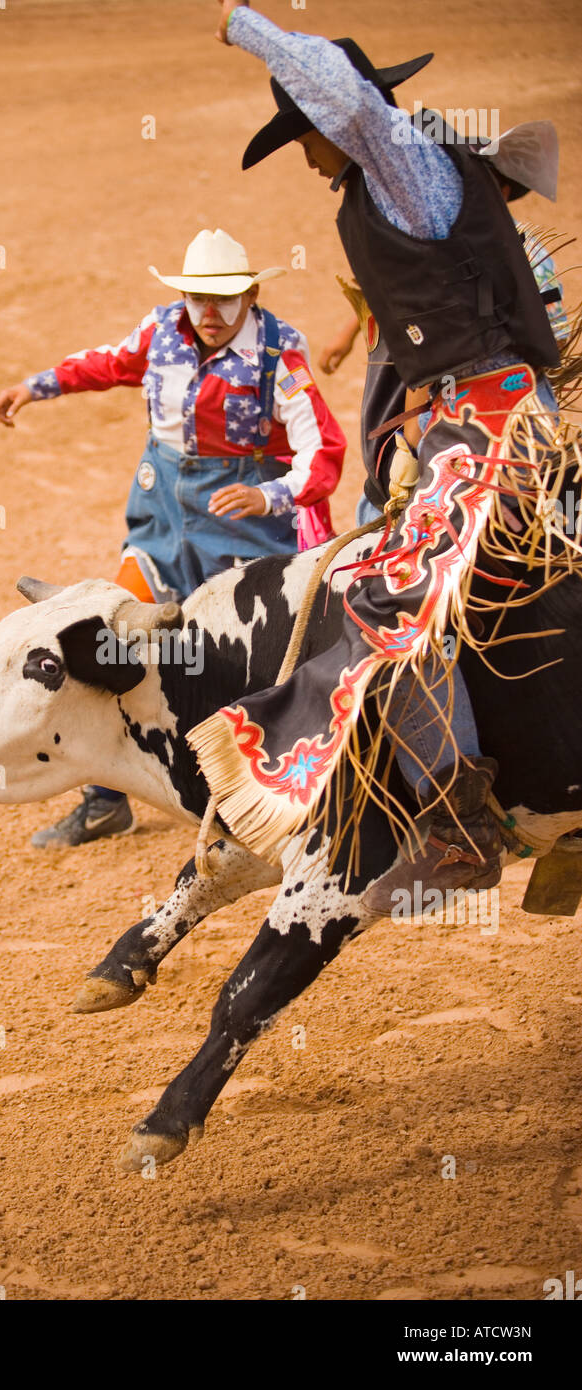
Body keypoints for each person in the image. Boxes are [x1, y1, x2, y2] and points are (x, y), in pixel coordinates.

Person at [188, 4, 574, 911]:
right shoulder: (401, 187)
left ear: (328, 123)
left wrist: (247, 26)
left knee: (390, 603)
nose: (311, 159)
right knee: (379, 575)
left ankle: (456, 820)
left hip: (497, 426)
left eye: (306, 139)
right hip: (461, 418)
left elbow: (355, 109)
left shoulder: (402, 167)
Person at [0, 227, 347, 847]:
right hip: (160, 520)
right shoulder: (162, 331)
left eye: (225, 299)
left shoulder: (279, 352)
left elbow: (322, 449)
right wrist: (37, 385)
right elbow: (108, 363)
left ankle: (275, 804)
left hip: (243, 527)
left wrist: (269, 494)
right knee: (110, 646)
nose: (209, 313)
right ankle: (105, 799)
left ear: (253, 293)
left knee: (247, 667)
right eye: (198, 298)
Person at [316, 121, 570, 528]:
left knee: (407, 520)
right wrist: (347, 332)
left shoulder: (481, 253)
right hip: (514, 411)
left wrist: (412, 441)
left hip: (464, 418)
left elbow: (437, 351)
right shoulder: (511, 251)